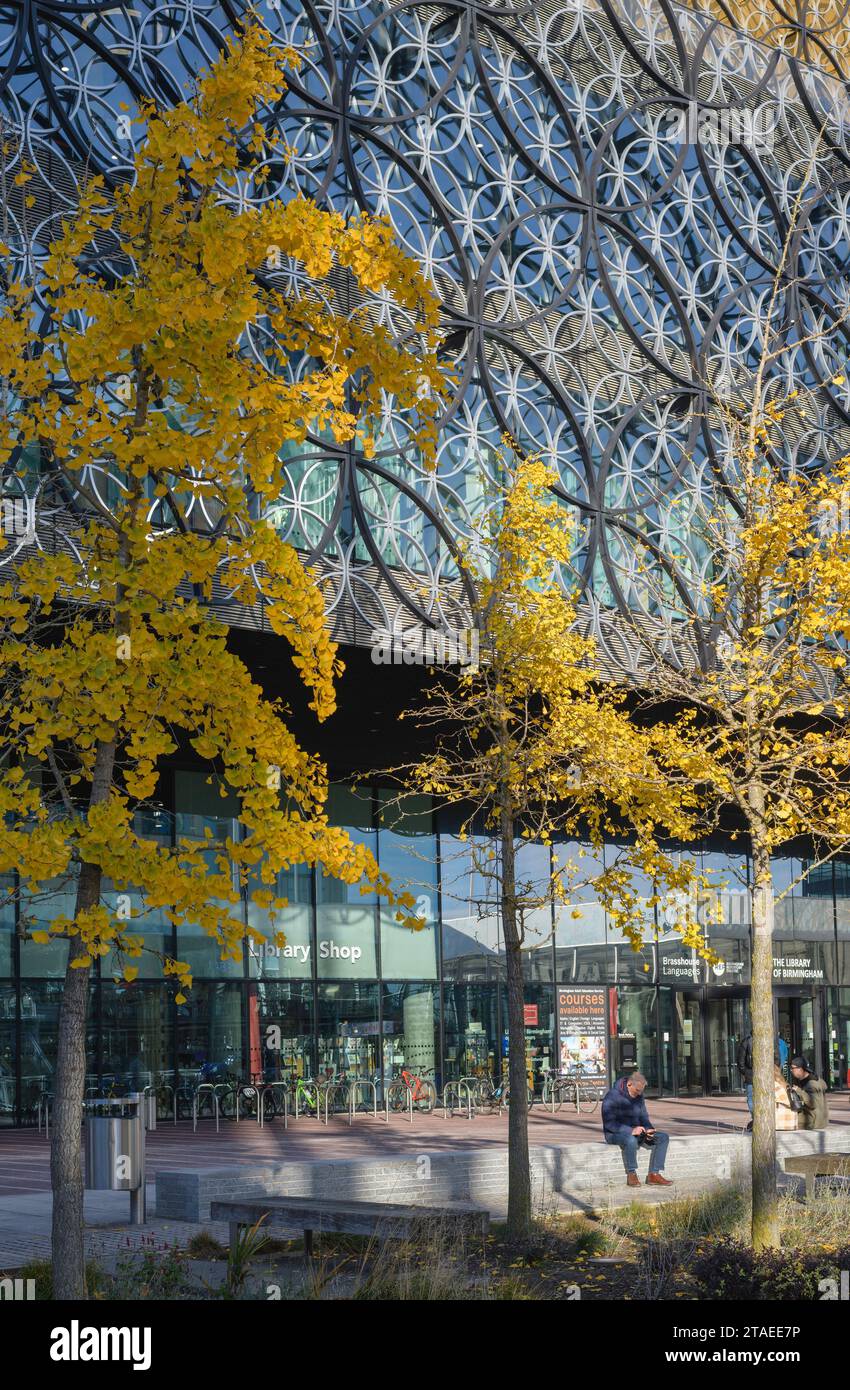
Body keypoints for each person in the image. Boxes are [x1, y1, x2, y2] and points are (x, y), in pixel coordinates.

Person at [601, 1071, 672, 1187]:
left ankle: (654, 1175)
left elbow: (643, 1116)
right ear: (629, 1085)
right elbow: (609, 1124)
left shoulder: (639, 1096)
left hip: (638, 1131)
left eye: (641, 1091)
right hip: (615, 1134)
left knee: (663, 1138)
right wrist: (630, 1130)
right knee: (630, 1140)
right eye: (637, 1091)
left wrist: (649, 1128)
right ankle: (631, 1173)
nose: (639, 1094)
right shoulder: (612, 1097)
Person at [789, 1056, 828, 1131]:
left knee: (786, 1120)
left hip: (814, 1121)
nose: (791, 1070)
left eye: (792, 1068)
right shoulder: (810, 1079)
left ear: (800, 1069)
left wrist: (798, 1091)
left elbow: (813, 1104)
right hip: (818, 1119)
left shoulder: (812, 1084)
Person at [737, 1030, 754, 1131]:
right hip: (753, 1074)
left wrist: (744, 1072)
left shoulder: (746, 1041)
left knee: (751, 1099)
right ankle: (758, 1119)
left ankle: (756, 1119)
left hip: (750, 1074)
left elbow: (740, 1060)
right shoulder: (770, 1040)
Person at [774, 1063, 798, 1130]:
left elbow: (786, 1101)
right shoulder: (784, 1084)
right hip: (792, 1123)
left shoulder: (774, 1085)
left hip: (782, 1123)